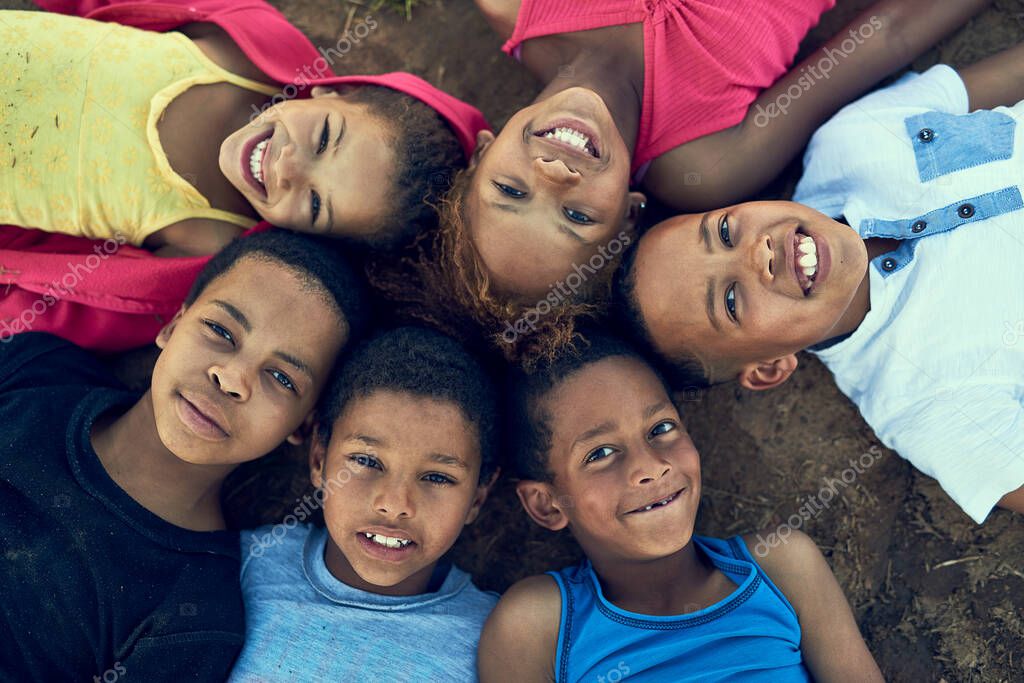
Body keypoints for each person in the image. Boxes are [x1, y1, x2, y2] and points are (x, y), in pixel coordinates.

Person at [375, 0, 992, 361]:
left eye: (510, 192)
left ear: (482, 152)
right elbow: (888, 35)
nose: (556, 177)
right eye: (577, 218)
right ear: (628, 214)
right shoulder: (707, 161)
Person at [616, 43, 1024, 523]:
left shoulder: (847, 142)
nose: (757, 253)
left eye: (724, 231)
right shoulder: (927, 406)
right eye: (729, 300)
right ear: (769, 369)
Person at [0, 229, 367, 680]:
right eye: (220, 331)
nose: (231, 377)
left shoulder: (194, 615)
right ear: (173, 326)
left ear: (304, 427)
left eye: (282, 377)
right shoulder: (36, 370)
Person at [478, 333, 882, 682]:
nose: (651, 467)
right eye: (600, 453)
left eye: (661, 429)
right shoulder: (538, 624)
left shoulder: (782, 566)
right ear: (546, 504)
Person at [1, 0, 488, 255]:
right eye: (323, 138)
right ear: (332, 91)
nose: (291, 167)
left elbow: (82, 295)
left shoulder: (208, 235)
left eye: (317, 203)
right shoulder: (243, 47)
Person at [230, 327, 501, 682]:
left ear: (477, 497)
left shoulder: (496, 640)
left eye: (438, 477)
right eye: (367, 462)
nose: (394, 504)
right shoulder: (246, 564)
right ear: (318, 459)